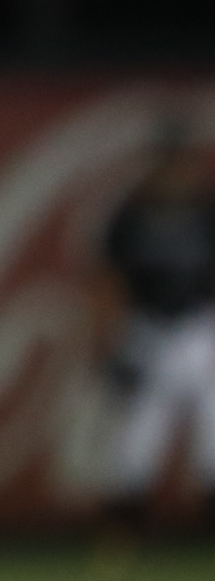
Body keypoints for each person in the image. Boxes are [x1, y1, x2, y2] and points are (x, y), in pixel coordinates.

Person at [98, 122, 215, 530]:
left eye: (182, 159)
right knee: (139, 432)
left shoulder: (207, 214)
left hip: (201, 328)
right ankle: (126, 530)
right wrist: (108, 342)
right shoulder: (130, 217)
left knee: (213, 422)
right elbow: (109, 283)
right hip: (147, 329)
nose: (176, 169)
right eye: (168, 159)